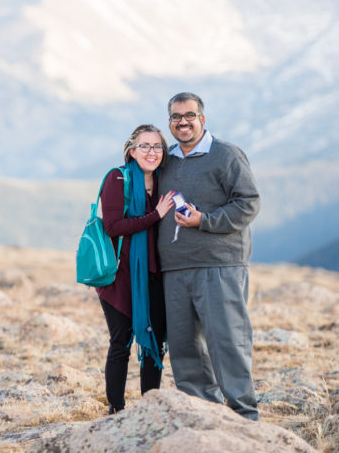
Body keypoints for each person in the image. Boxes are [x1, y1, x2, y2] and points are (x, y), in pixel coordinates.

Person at [157, 92, 261, 421]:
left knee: (227, 342)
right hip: (175, 268)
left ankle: (246, 420)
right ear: (169, 122)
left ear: (203, 119)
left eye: (189, 115)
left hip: (220, 264)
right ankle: (205, 419)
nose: (183, 121)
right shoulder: (166, 161)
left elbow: (248, 202)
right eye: (176, 117)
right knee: (185, 350)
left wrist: (205, 221)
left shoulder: (226, 155)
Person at [96, 124, 176, 414]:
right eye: (145, 146)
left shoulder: (165, 180)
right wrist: (156, 215)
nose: (151, 152)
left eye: (157, 146)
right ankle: (116, 410)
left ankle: (149, 410)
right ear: (132, 150)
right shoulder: (118, 178)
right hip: (121, 277)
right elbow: (113, 226)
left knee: (153, 346)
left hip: (154, 277)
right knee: (121, 343)